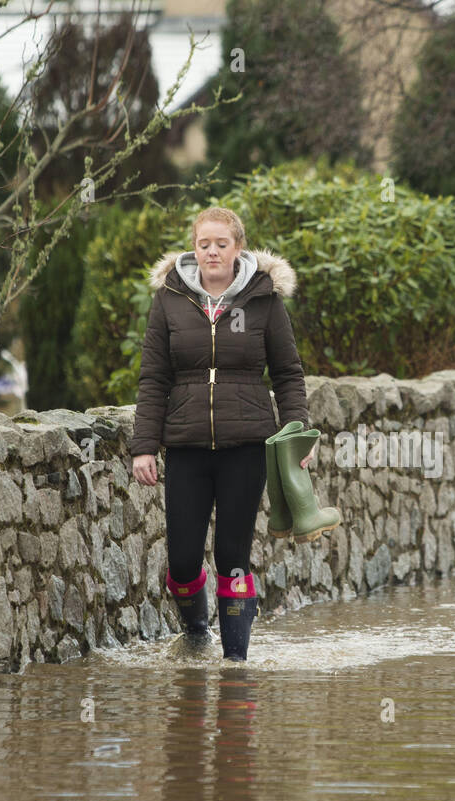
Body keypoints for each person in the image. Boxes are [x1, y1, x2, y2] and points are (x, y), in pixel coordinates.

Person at [130, 207, 335, 662]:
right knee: (182, 561)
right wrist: (144, 445)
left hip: (247, 446)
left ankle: (235, 663)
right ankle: (197, 633)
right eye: (204, 243)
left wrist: (296, 436)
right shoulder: (168, 300)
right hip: (185, 446)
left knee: (232, 556)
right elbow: (153, 378)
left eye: (221, 243)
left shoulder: (264, 300)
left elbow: (288, 373)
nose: (212, 252)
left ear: (238, 247)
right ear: (193, 246)